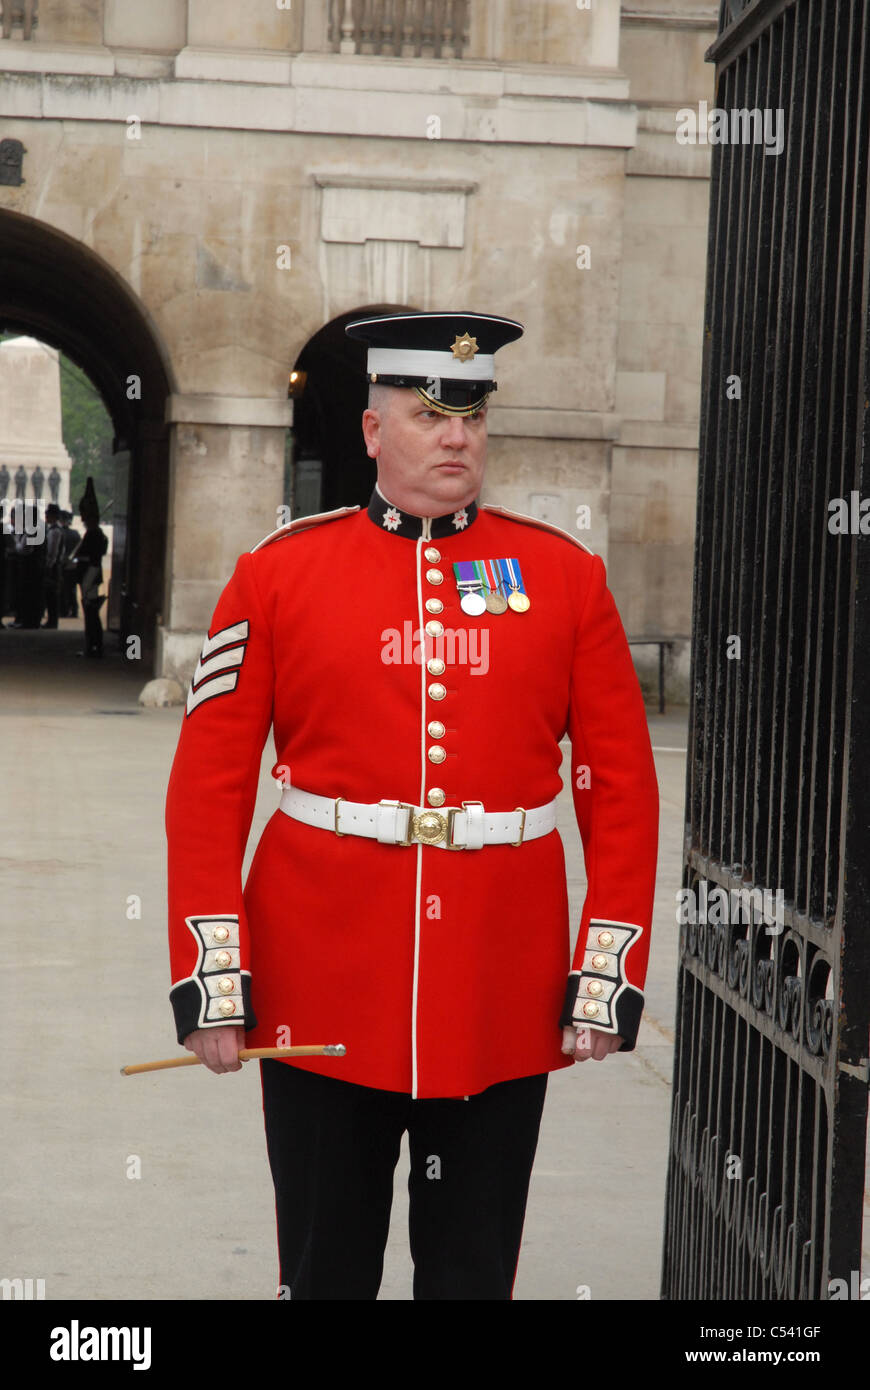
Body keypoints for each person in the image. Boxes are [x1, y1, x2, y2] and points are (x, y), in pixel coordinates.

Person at [165, 311, 659, 1300]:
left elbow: (621, 788)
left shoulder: (564, 580)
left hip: (499, 986)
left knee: (473, 1273)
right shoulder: (280, 574)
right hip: (319, 982)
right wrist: (213, 979)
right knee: (325, 1270)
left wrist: (606, 974)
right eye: (431, 416)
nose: (457, 439)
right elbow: (210, 784)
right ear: (371, 431)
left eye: (473, 420)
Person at [72, 479, 108, 657]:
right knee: (90, 612)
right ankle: (93, 645)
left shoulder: (95, 535)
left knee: (91, 612)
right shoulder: (93, 534)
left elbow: (92, 557)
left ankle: (93, 646)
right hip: (90, 573)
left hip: (90, 574)